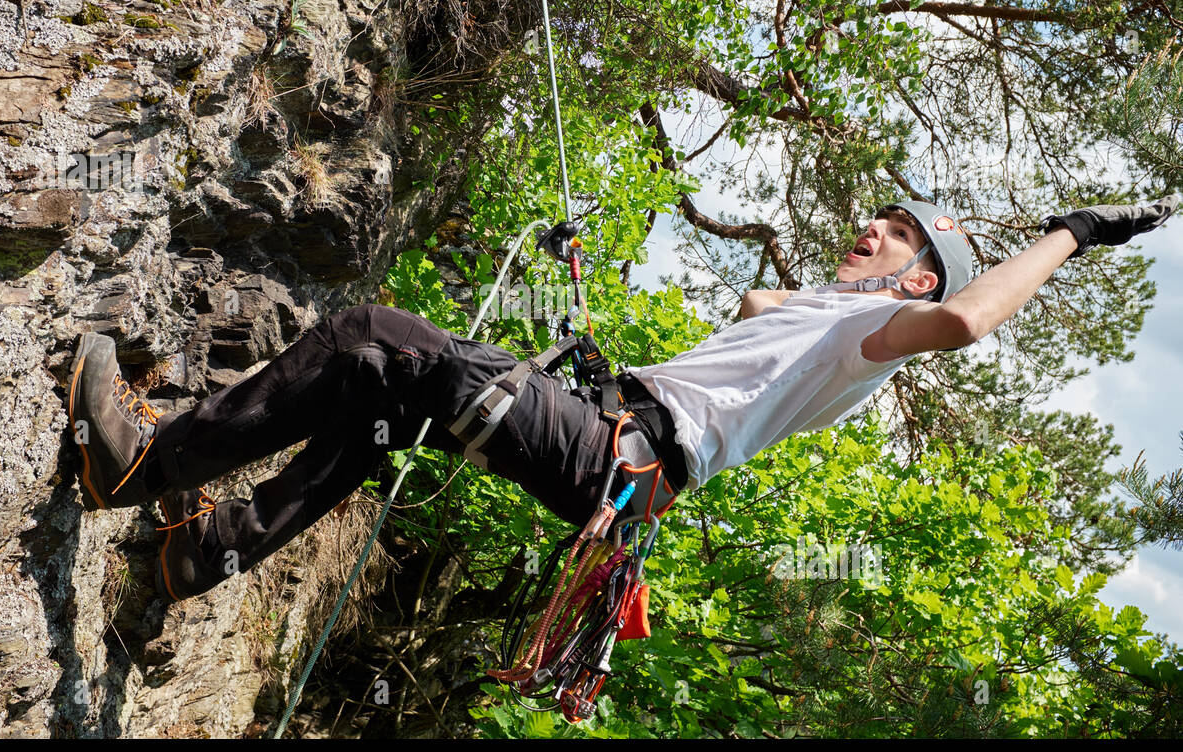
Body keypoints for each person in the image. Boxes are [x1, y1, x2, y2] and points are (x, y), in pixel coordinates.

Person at [66, 196, 1178, 601]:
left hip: (620, 459)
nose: (868, 228)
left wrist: (1067, 236)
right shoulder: (826, 316)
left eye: (891, 233)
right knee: (379, 397)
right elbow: (753, 296)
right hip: (616, 444)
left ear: (919, 277)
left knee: (372, 333)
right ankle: (203, 554)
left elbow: (970, 318)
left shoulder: (873, 335)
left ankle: (137, 465)